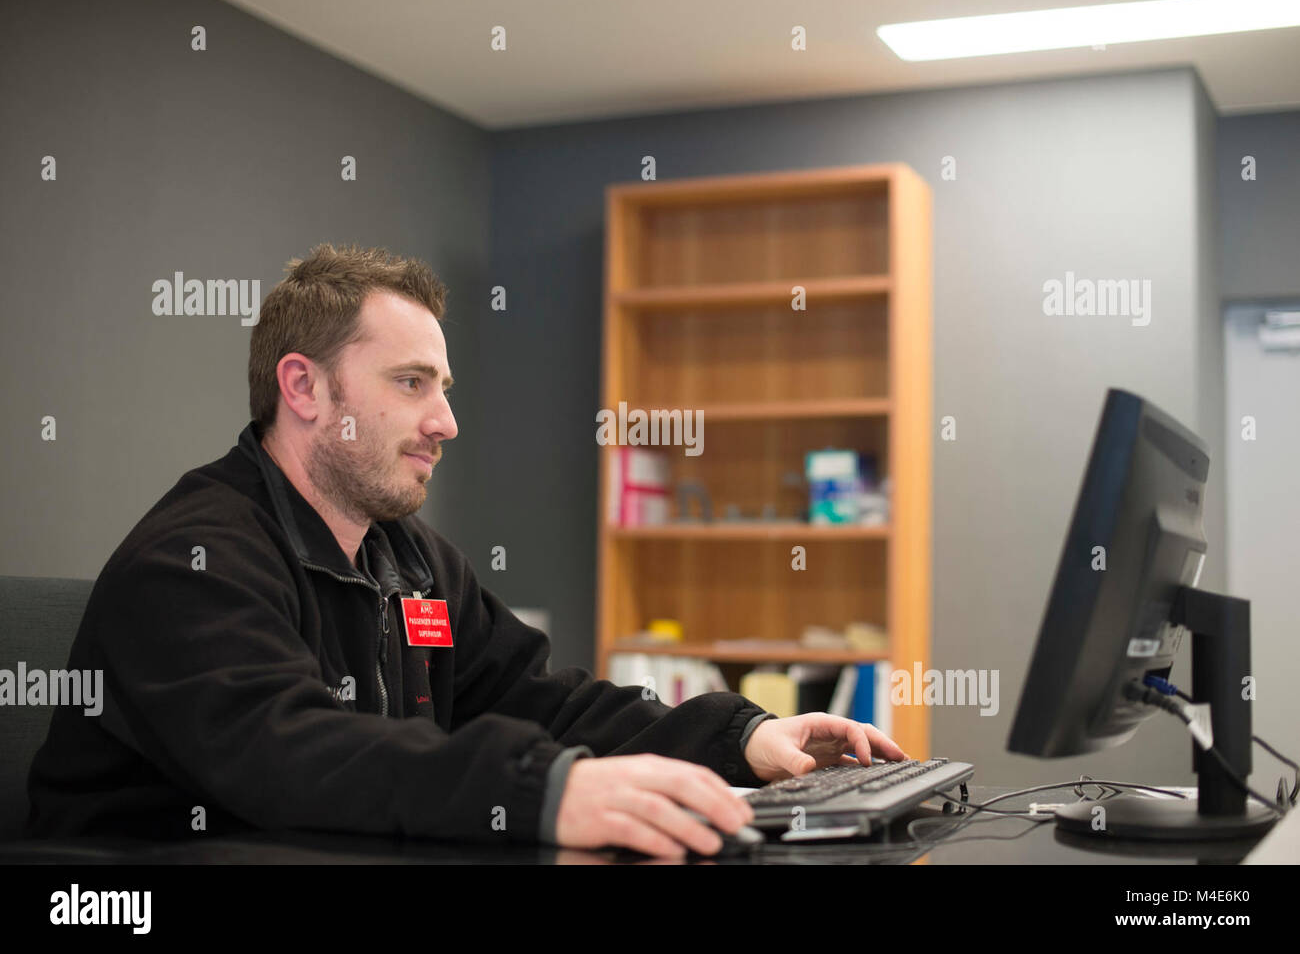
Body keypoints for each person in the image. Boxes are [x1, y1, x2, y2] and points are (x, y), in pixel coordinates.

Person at [25, 244, 906, 858]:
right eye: (411, 383)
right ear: (303, 386)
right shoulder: (192, 562)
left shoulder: (410, 561)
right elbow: (293, 755)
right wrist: (545, 790)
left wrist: (739, 733)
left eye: (442, 388)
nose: (445, 421)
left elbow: (541, 702)